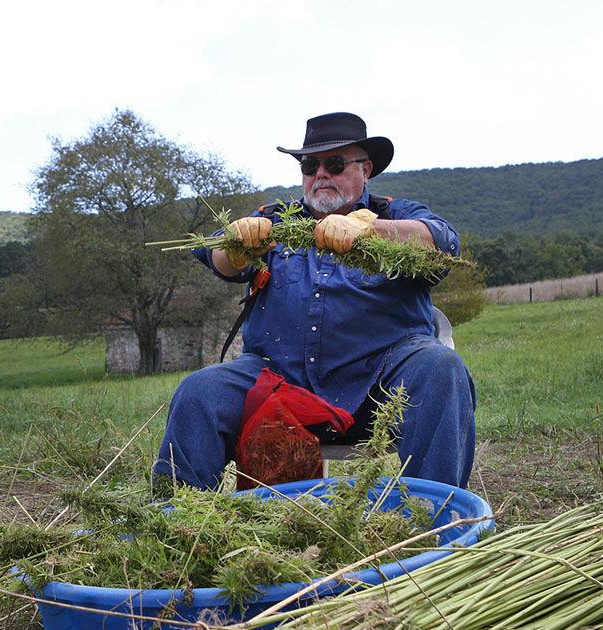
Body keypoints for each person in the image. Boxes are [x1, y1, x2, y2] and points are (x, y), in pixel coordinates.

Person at [153, 112, 476, 491]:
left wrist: (371, 231)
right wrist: (236, 247)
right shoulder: (277, 221)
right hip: (278, 382)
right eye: (310, 165)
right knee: (199, 392)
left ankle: (433, 520)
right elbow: (217, 260)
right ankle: (171, 525)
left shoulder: (397, 215)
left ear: (365, 169)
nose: (321, 173)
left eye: (335, 163)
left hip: (380, 387)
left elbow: (442, 243)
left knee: (441, 367)